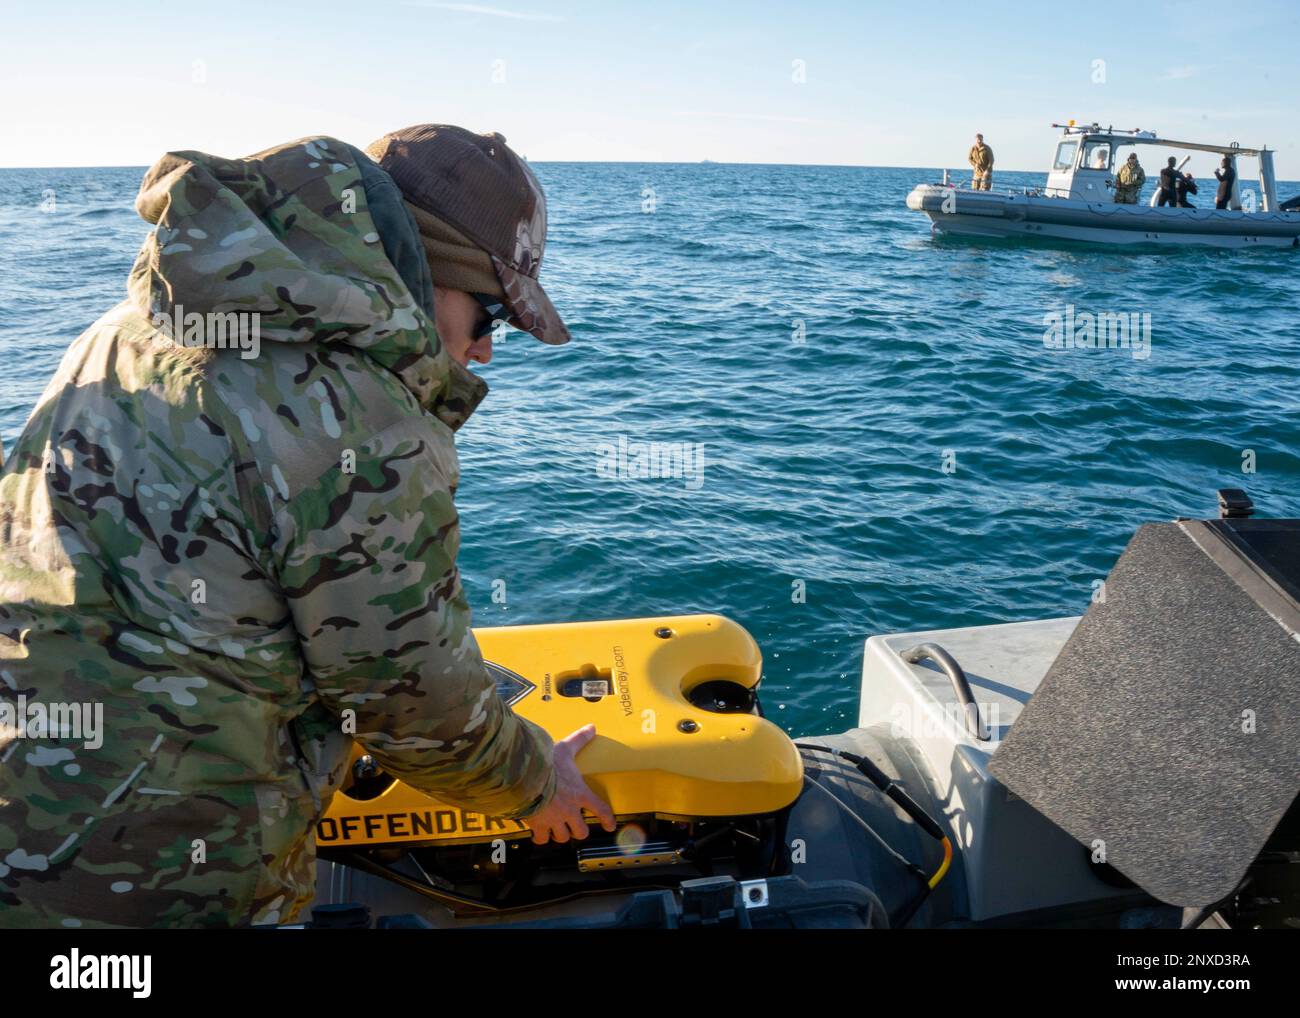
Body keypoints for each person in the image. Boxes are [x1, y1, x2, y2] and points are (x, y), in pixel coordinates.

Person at [0, 125, 616, 929]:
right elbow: (407, 700)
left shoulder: (127, 330)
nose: (488, 351)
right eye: (492, 311)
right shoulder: (356, 414)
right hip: (163, 879)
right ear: (423, 271)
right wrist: (536, 782)